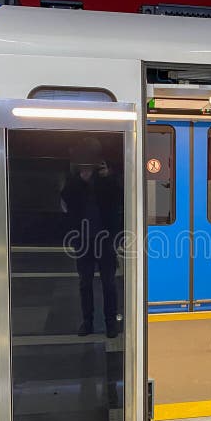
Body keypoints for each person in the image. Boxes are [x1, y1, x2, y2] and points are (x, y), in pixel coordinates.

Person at [61, 137, 123, 338]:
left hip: (105, 238)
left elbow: (119, 198)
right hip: (84, 238)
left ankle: (110, 322)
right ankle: (87, 321)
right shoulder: (74, 175)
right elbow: (66, 199)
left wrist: (108, 176)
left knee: (109, 283)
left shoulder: (106, 172)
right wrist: (81, 180)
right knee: (85, 283)